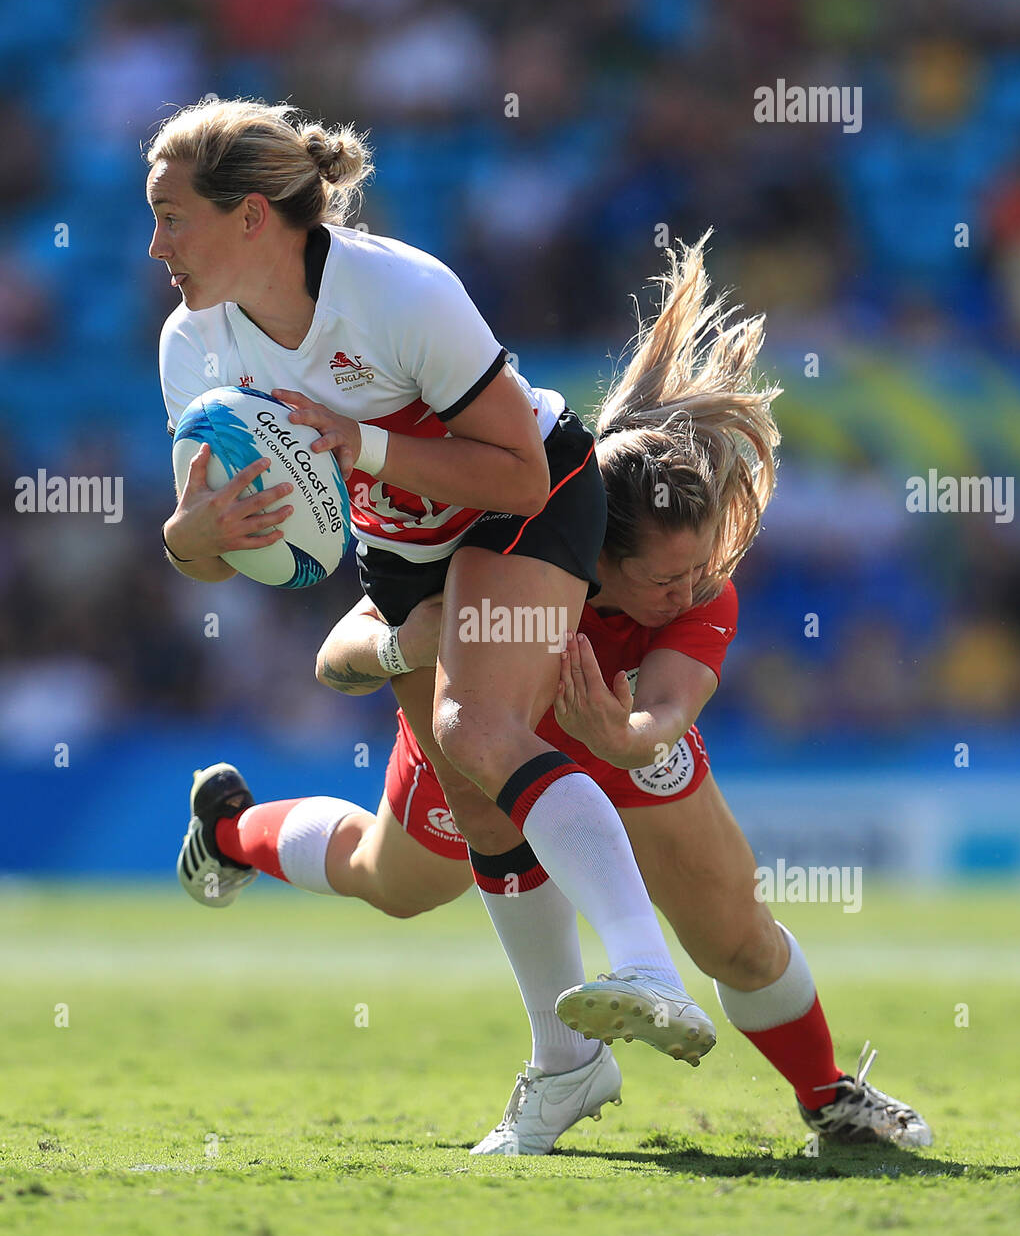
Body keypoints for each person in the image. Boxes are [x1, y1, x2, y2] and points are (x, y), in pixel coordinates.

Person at [174, 232, 932, 1156]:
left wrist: (629, 734)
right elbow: (335, 660)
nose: (693, 591)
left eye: (701, 572)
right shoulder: (493, 570)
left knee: (736, 937)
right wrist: (402, 640)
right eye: (666, 578)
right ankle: (228, 832)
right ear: (589, 560)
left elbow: (669, 709)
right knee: (394, 882)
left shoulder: (701, 594)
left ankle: (830, 1099)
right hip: (489, 744)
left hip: (612, 740)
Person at [149, 95, 714, 1066]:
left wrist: (360, 440)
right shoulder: (191, 347)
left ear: (250, 216)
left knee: (478, 732)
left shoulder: (398, 293)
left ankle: (628, 990)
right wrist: (189, 533)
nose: (155, 242)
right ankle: (232, 831)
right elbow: (210, 553)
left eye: (171, 214)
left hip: (530, 501)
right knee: (403, 874)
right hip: (408, 559)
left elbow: (520, 472)